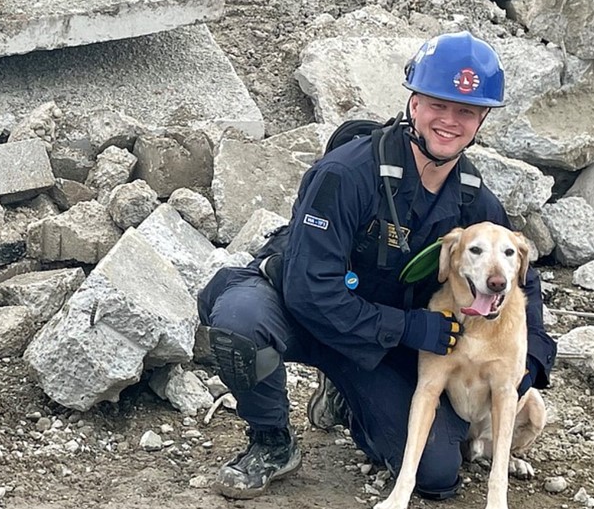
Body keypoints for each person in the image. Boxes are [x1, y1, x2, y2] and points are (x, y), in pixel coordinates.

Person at [198, 31, 556, 500]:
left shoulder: (474, 199)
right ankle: (271, 442)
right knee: (240, 324)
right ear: (413, 102)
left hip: (373, 343)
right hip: (299, 311)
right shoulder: (346, 174)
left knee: (437, 473)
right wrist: (409, 329)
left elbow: (515, 286)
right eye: (437, 105)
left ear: (482, 118)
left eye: (465, 111)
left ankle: (347, 402)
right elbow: (310, 291)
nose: (449, 121)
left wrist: (526, 364)